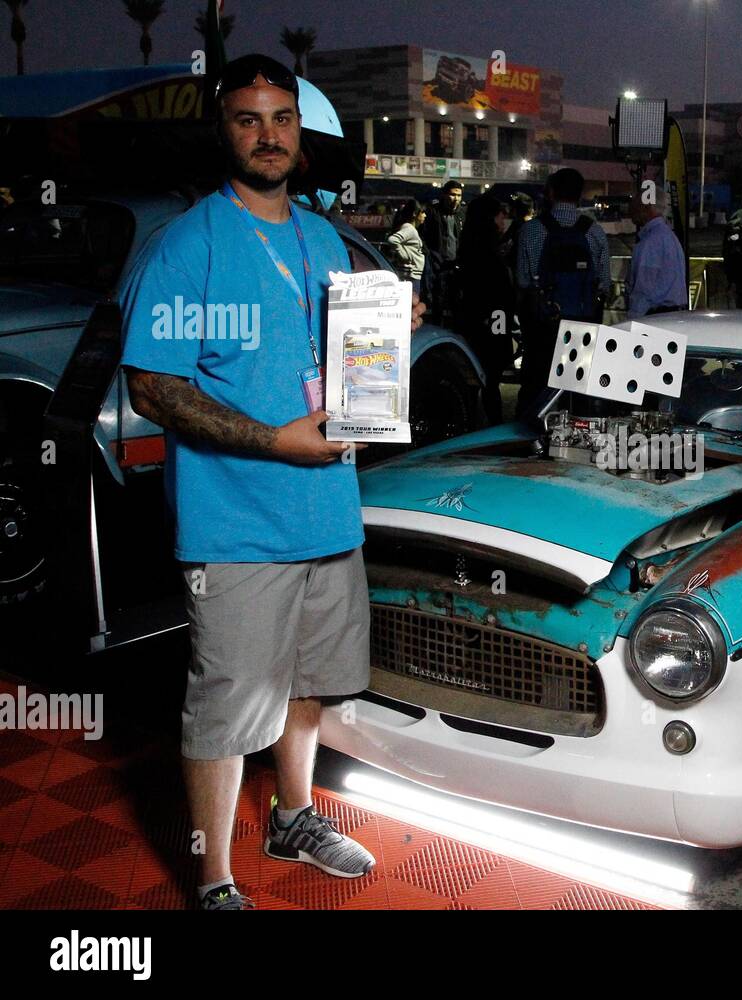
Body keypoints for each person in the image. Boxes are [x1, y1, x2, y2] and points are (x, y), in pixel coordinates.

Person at [118, 54, 426, 911]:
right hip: (239, 521)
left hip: (328, 511)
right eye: (249, 119)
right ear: (224, 130)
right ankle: (212, 874)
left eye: (282, 118)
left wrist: (393, 326)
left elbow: (344, 350)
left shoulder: (321, 236)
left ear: (301, 130)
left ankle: (294, 816)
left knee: (311, 681)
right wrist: (273, 441)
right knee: (225, 705)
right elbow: (154, 385)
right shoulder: (188, 245)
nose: (268, 135)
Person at [515, 167, 610, 419]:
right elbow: (603, 284)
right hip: (582, 326)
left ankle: (530, 443)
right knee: (577, 390)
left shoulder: (532, 230)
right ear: (579, 196)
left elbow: (523, 280)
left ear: (552, 192)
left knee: (536, 388)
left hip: (543, 326)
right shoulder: (595, 231)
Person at [452, 193, 516, 423]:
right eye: (500, 216)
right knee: (491, 381)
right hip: (493, 325)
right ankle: (494, 429)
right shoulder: (491, 255)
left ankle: (467, 424)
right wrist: (502, 331)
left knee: (472, 381)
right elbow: (501, 298)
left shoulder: (469, 249)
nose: (503, 222)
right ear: (490, 218)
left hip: (471, 324)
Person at [626, 182, 688, 318]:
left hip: (654, 317)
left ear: (646, 206)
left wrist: (632, 320)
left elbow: (644, 290)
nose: (630, 210)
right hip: (672, 315)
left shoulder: (651, 241)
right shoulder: (668, 237)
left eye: (636, 205)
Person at [418, 179, 465, 320]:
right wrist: (431, 256)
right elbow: (422, 237)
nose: (455, 199)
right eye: (452, 194)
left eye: (459, 195)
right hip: (438, 265)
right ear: (444, 195)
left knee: (457, 301)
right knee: (438, 302)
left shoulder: (462, 215)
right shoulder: (432, 212)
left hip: (456, 265)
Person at [384, 199, 426, 283]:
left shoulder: (410, 228)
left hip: (411, 274)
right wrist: (404, 255)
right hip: (411, 275)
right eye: (422, 212)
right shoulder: (409, 229)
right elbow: (393, 240)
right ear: (415, 214)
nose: (425, 215)